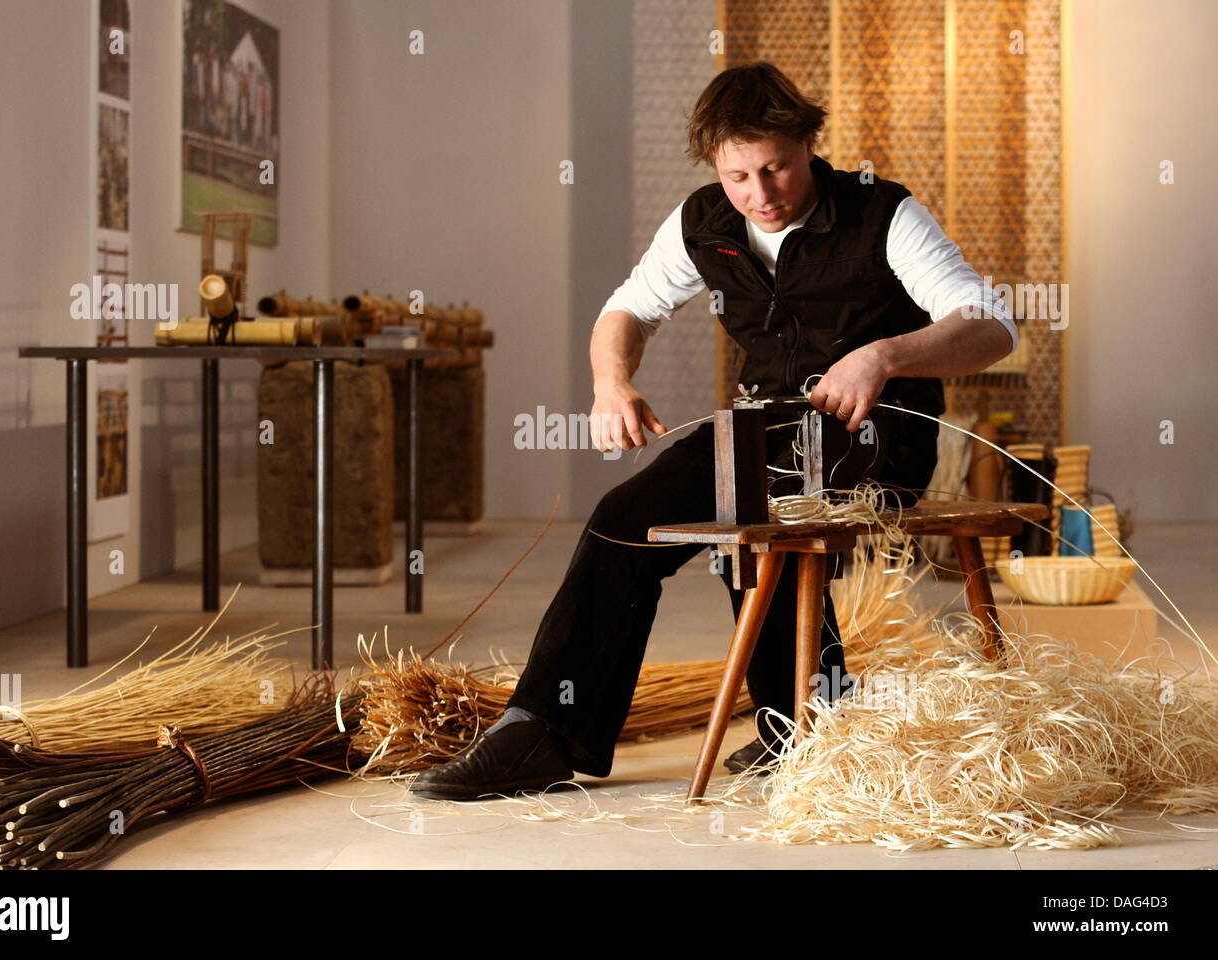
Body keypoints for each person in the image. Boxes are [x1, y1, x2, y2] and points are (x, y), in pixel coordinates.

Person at [410, 62, 1016, 801]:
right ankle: (542, 731)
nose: (761, 195)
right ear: (715, 167)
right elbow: (626, 312)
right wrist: (611, 382)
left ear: (809, 145)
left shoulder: (882, 211)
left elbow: (992, 326)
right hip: (761, 432)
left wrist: (882, 357)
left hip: (878, 432)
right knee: (623, 518)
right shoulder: (702, 221)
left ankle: (804, 721)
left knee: (764, 503)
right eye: (738, 177)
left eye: (777, 169)